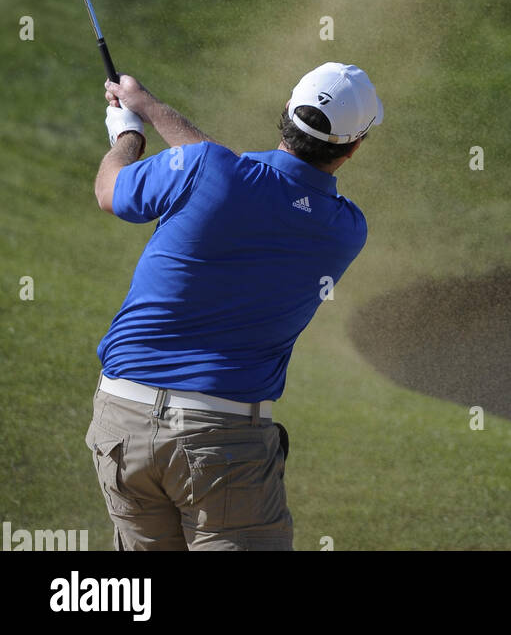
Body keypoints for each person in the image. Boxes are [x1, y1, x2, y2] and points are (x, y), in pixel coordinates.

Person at [85, 61, 382, 551]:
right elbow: (243, 180)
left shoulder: (208, 170)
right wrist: (151, 109)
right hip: (222, 439)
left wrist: (128, 134)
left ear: (286, 112)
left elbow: (111, 190)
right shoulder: (345, 228)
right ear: (353, 148)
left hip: (121, 421)